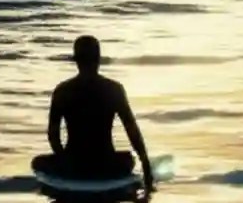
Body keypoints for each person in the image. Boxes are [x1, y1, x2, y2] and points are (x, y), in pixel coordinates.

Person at [33, 35, 154, 191]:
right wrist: (145, 162)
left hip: (74, 164)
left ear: (76, 60)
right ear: (98, 58)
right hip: (106, 164)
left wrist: (65, 161)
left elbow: (53, 135)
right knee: (128, 160)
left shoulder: (62, 91)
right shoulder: (113, 89)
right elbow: (131, 129)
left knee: (38, 163)